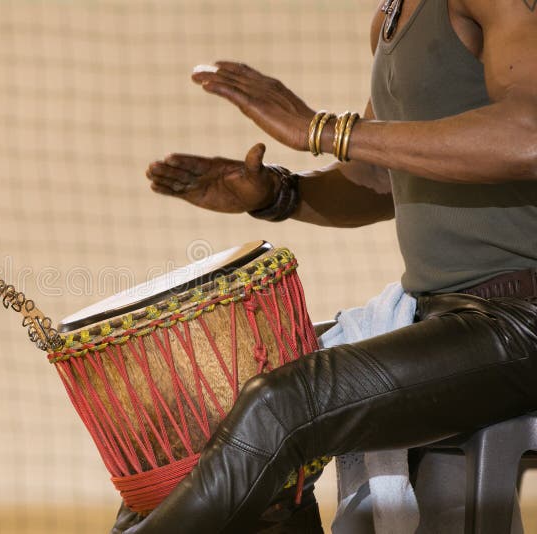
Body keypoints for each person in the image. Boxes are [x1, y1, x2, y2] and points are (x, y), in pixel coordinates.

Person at [111, 0, 537, 532]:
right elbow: (381, 178)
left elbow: (527, 136)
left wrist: (320, 129)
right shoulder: (392, 15)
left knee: (279, 405)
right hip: (444, 317)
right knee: (212, 402)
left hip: (520, 319)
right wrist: (277, 193)